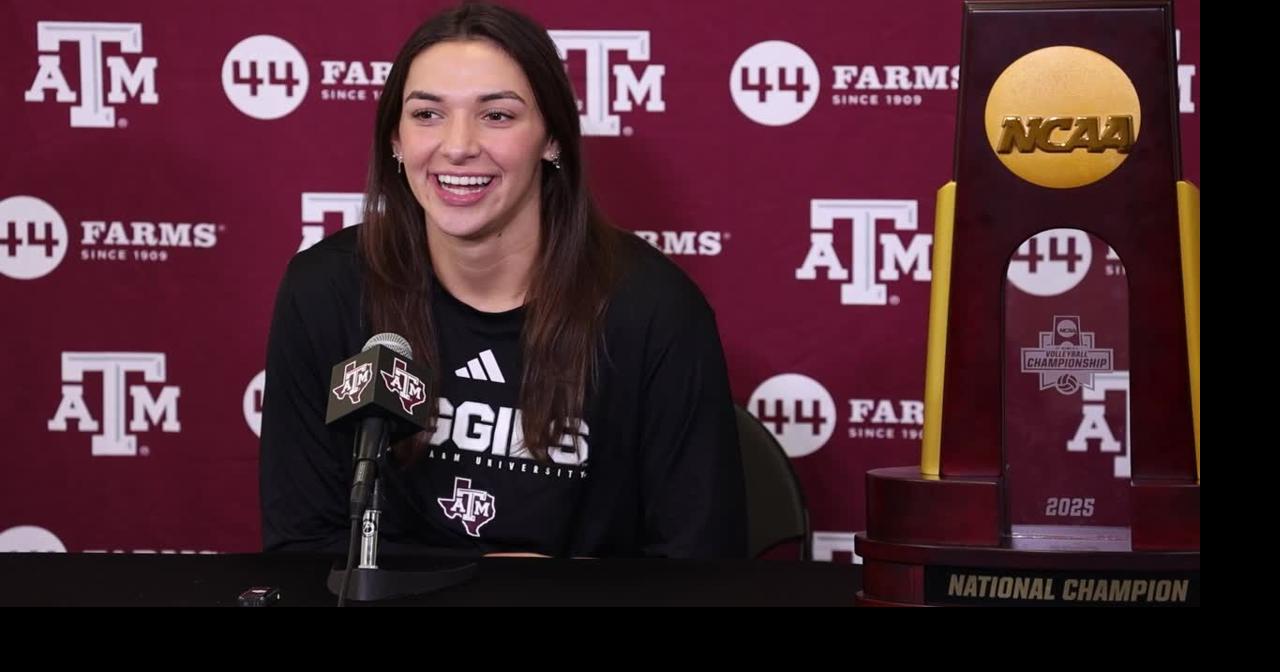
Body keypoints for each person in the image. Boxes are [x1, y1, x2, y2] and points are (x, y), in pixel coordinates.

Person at [259, 2, 746, 559]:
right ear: (395, 140)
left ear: (553, 139)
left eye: (497, 115)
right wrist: (486, 577)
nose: (459, 145)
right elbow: (302, 543)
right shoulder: (324, 290)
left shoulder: (655, 310)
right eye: (427, 114)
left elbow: (702, 560)